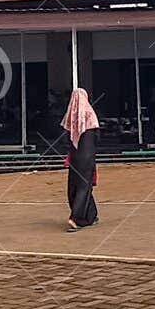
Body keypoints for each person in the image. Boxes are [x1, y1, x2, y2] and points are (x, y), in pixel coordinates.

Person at [62, 88, 100, 232]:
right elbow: (97, 138)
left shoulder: (70, 118)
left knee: (75, 187)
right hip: (87, 158)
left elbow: (66, 140)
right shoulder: (91, 115)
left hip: (74, 159)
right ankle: (77, 218)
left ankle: (89, 215)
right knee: (84, 187)